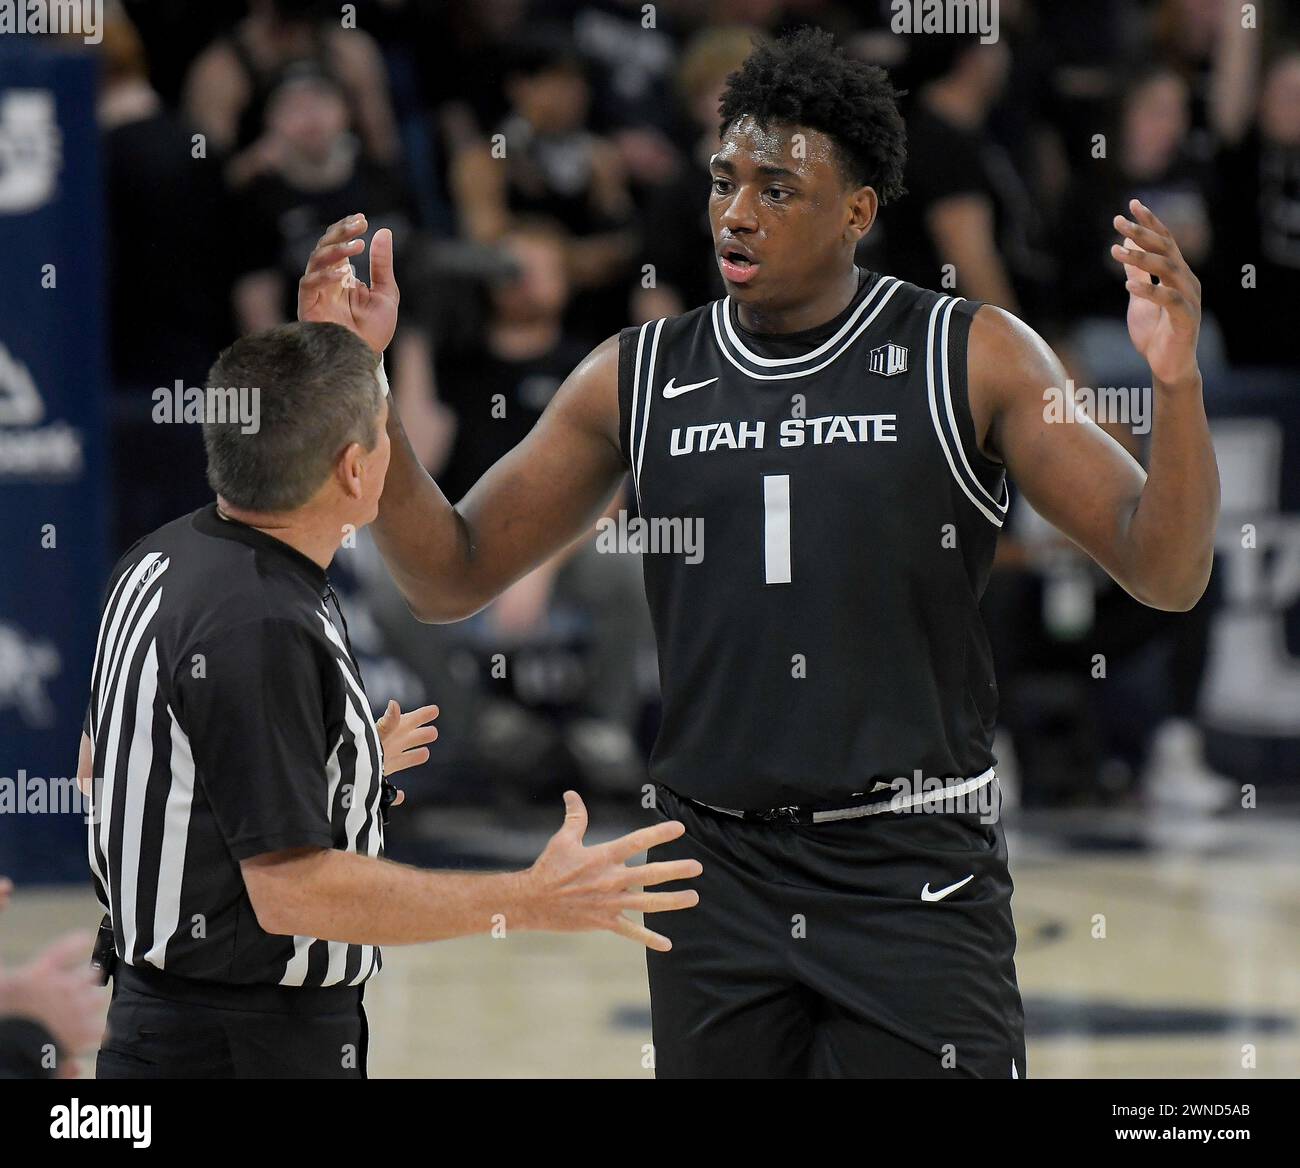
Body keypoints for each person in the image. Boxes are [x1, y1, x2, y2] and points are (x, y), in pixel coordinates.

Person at [304, 28, 1219, 1078]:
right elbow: (444, 573)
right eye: (725, 179)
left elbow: (1167, 567)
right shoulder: (635, 374)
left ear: (858, 214)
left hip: (909, 863)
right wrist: (358, 377)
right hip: (714, 873)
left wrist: (1175, 384)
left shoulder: (971, 353)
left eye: (779, 189)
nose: (736, 212)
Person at [82, 318, 700, 1079]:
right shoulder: (261, 621)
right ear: (352, 469)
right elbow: (294, 894)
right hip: (240, 1042)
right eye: (385, 434)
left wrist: (331, 765)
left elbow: (109, 764)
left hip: (165, 1014)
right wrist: (529, 899)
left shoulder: (163, 555)